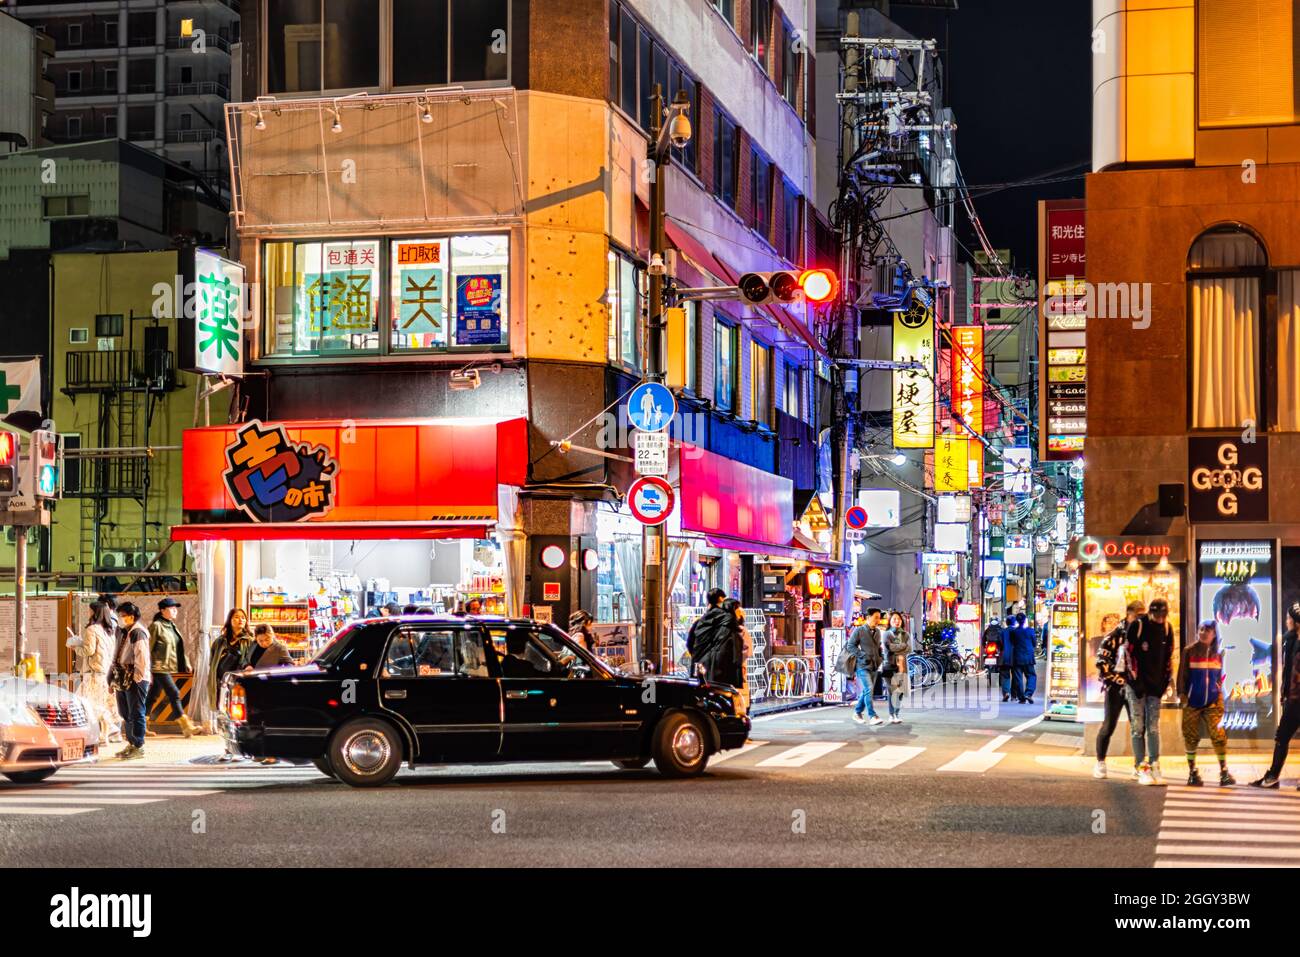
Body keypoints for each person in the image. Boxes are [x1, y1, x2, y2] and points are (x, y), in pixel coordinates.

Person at [1125, 597, 1174, 786]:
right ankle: (1140, 766)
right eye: (1157, 615)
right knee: (1138, 726)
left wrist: (1164, 684)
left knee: (1153, 727)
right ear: (1150, 613)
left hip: (1155, 686)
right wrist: (1134, 682)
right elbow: (1127, 654)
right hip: (1136, 684)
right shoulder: (1138, 626)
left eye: (1163, 615)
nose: (1160, 619)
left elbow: (1169, 657)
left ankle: (1155, 764)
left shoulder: (1168, 629)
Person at [1179, 620, 1234, 787]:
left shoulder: (1218, 653)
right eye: (1201, 629)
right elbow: (1182, 675)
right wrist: (1182, 695)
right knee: (1190, 736)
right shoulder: (1189, 651)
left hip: (1213, 701)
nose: (1203, 632)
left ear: (1214, 634)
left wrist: (1218, 690)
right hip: (1192, 701)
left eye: (1207, 630)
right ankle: (1192, 772)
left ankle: (1224, 772)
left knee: (1218, 735)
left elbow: (1220, 675)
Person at [1093, 601, 1144, 779]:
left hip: (1135, 688)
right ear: (1130, 614)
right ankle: (1100, 761)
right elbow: (1101, 661)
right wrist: (1116, 680)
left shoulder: (1142, 635)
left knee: (1138, 727)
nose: (1141, 618)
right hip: (1115, 688)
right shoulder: (1115, 635)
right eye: (1138, 615)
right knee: (1109, 725)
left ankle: (1139, 765)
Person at [1252, 602, 1300, 789]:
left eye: (1289, 618)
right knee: (1282, 737)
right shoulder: (1290, 640)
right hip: (1292, 698)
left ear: (1296, 622)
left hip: (1297, 700)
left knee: (1282, 737)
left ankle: (1272, 776)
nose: (1286, 621)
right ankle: (1272, 776)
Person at [67, 601, 121, 742]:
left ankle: (111, 731)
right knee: (99, 703)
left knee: (88, 704)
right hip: (105, 671)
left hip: (93, 673)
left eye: (90, 610)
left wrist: (75, 648)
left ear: (95, 612)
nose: (88, 613)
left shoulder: (92, 629)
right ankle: (107, 734)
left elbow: (88, 650)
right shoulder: (109, 631)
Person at [147, 597, 202, 738]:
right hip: (158, 667)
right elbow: (148, 648)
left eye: (175, 608)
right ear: (162, 610)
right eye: (172, 608)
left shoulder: (172, 626)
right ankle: (186, 726)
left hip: (167, 667)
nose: (175, 610)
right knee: (174, 692)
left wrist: (187, 663)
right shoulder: (156, 626)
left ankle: (141, 725)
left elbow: (179, 648)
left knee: (152, 696)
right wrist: (147, 668)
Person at [111, 602, 151, 760]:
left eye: (122, 616)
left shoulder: (138, 632)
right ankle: (132, 742)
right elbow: (116, 655)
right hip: (122, 676)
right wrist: (112, 680)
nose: (120, 619)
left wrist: (138, 678)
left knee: (136, 712)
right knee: (125, 712)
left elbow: (142, 657)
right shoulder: (123, 631)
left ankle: (139, 746)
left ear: (131, 617)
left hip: (135, 677)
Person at [690, 598, 744, 689]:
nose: (740, 614)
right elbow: (732, 656)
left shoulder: (716, 625)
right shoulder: (728, 629)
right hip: (722, 674)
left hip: (712, 671)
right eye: (737, 609)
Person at [846, 607, 885, 726]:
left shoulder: (878, 631)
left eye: (879, 618)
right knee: (869, 688)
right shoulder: (859, 630)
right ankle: (872, 715)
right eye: (876, 617)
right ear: (868, 617)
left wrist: (880, 657)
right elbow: (850, 646)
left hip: (874, 665)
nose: (878, 620)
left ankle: (857, 712)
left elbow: (878, 647)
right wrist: (862, 655)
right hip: (862, 665)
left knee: (867, 690)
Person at [686, 588, 727, 676]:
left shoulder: (698, 622)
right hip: (717, 670)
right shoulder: (724, 622)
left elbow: (689, 644)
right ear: (720, 599)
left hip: (698, 667)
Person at [883, 610, 910, 724]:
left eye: (898, 619)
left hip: (902, 665)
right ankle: (891, 714)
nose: (896, 621)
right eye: (894, 619)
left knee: (900, 690)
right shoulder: (886, 634)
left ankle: (896, 713)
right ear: (890, 621)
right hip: (889, 664)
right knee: (892, 690)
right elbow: (889, 647)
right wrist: (901, 647)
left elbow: (909, 648)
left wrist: (899, 647)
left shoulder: (906, 634)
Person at [1011, 612, 1038, 704]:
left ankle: (1021, 697)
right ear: (1025, 620)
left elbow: (1013, 643)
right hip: (1028, 657)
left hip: (1017, 657)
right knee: (1031, 675)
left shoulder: (1014, 632)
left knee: (1018, 678)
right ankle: (1028, 693)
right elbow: (1034, 643)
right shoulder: (1030, 631)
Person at [1000, 614, 1020, 702]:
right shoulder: (1017, 631)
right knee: (1015, 676)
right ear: (1015, 622)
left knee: (1005, 675)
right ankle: (1014, 696)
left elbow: (999, 644)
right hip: (1015, 657)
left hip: (1004, 656)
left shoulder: (1002, 632)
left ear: (1007, 623)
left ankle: (1006, 693)